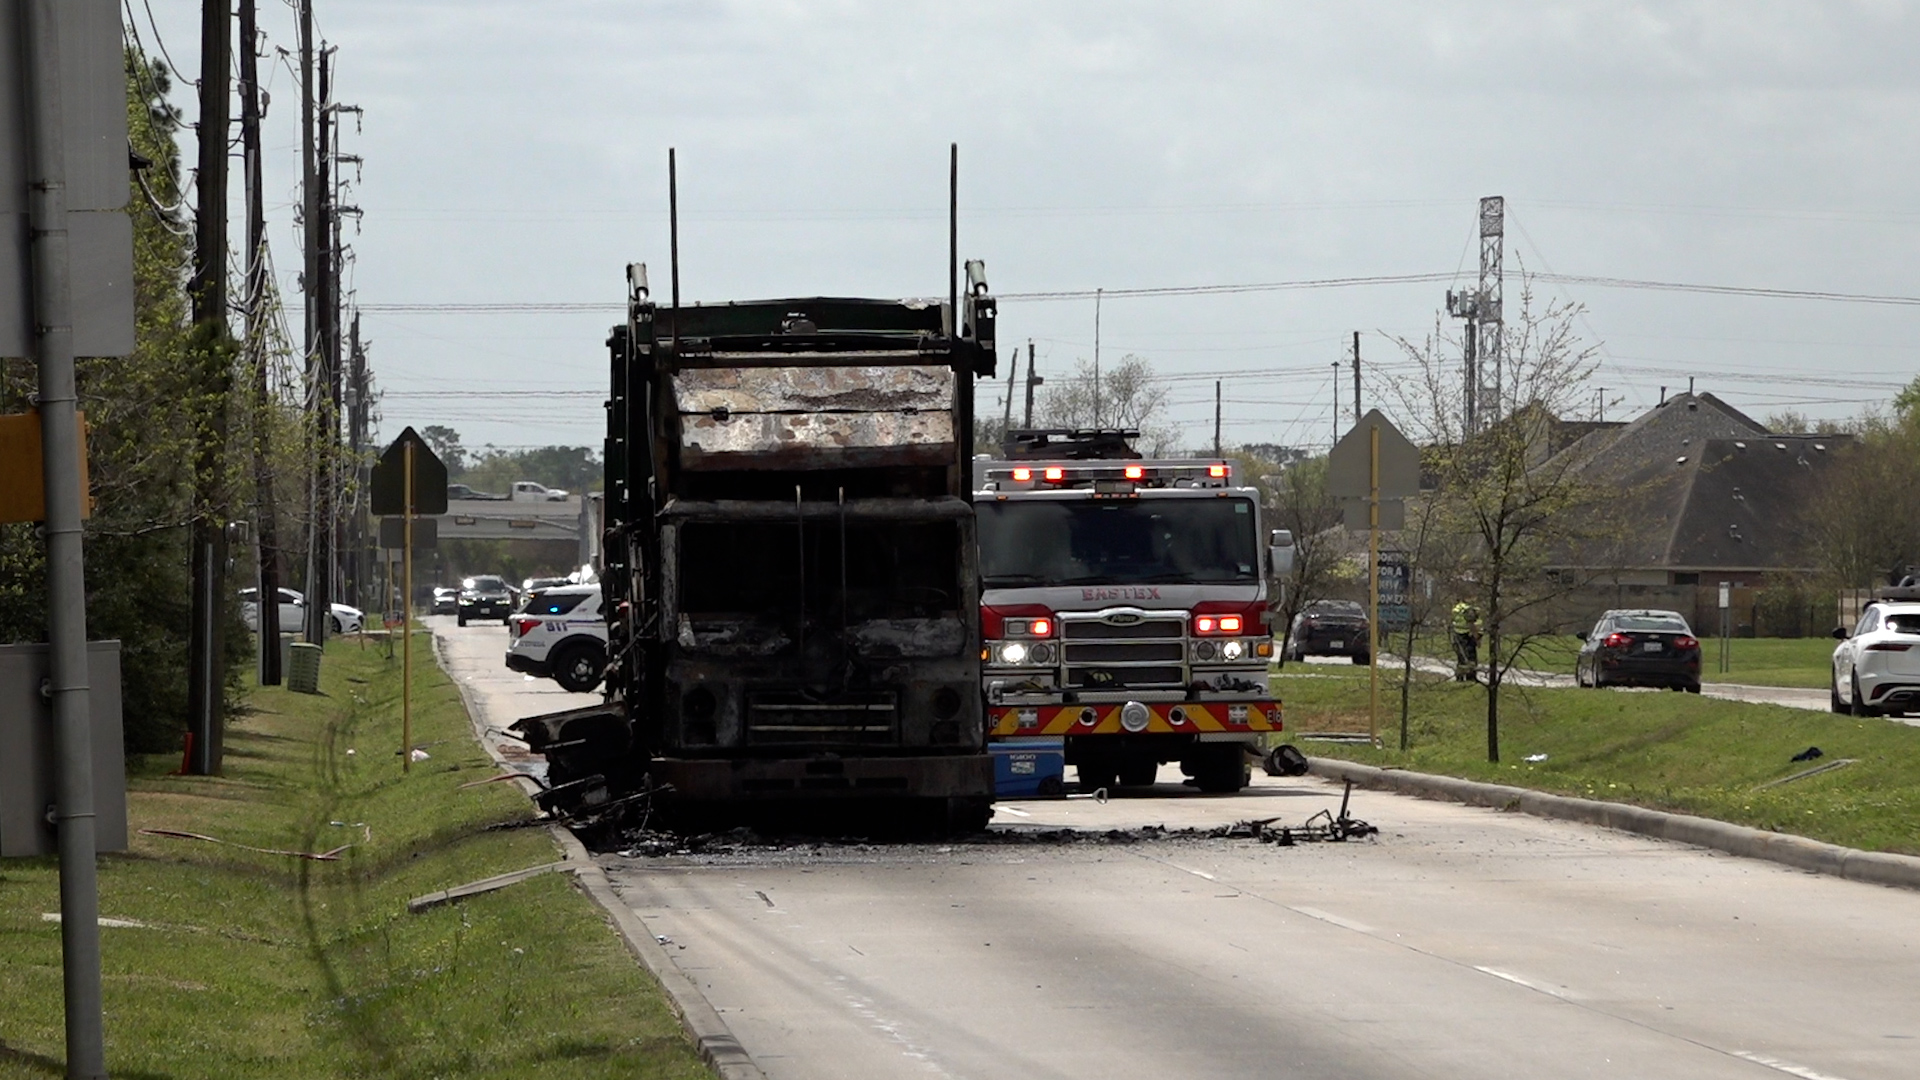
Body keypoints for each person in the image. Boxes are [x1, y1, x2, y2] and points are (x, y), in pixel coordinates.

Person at [1450, 600, 1482, 682]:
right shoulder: (1469, 610)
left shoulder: (1457, 608)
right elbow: (1471, 624)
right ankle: (1470, 677)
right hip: (1468, 635)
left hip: (1457, 634)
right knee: (1471, 658)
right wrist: (1477, 638)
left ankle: (1459, 677)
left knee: (1461, 658)